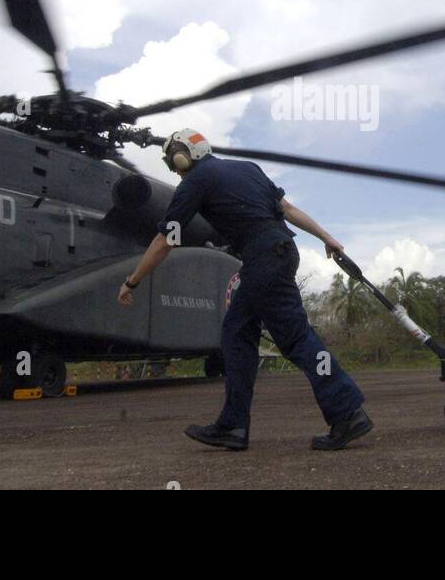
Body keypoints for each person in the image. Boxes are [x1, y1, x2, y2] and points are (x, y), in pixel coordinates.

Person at [116, 129, 371, 450]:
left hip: (264, 258)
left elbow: (167, 239)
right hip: (278, 253)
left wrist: (132, 281)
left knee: (296, 339)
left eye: (172, 162)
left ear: (183, 156)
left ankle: (347, 412)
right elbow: (289, 210)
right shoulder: (247, 168)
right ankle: (233, 426)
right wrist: (326, 237)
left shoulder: (195, 182)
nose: (174, 170)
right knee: (237, 336)